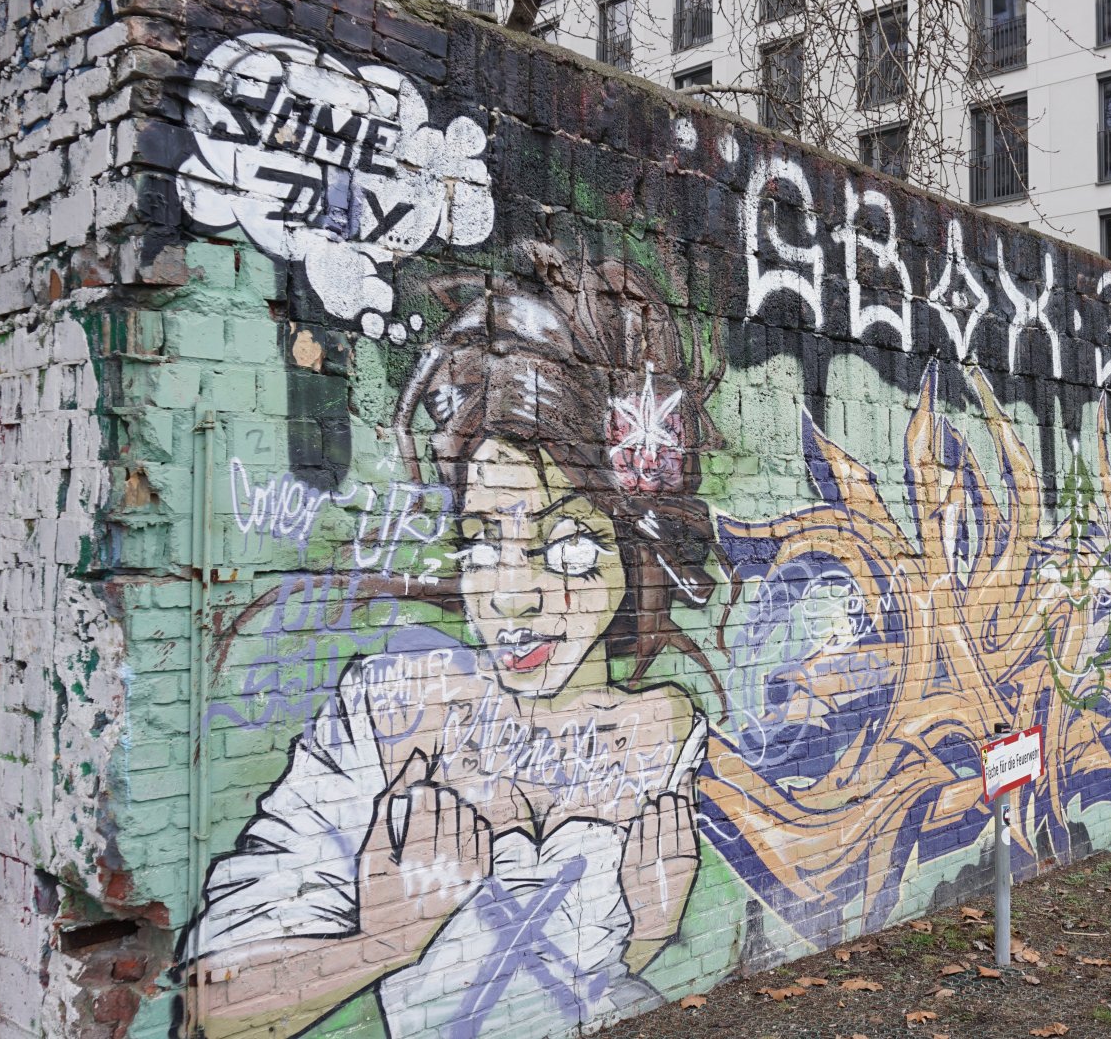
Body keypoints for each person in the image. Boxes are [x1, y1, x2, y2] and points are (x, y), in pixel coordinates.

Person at [178, 243, 721, 1039]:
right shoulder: (393, 713)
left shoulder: (667, 731)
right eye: (480, 542)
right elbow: (209, 1007)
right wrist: (383, 941)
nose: (510, 594)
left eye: (569, 545)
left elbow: (598, 985)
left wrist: (648, 932)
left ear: (636, 559)